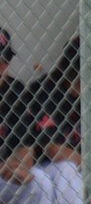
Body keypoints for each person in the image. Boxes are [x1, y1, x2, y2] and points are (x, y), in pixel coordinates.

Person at [31, 37, 91, 203]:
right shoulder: (44, 91)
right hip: (53, 172)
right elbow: (56, 152)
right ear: (84, 68)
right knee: (67, 169)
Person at [1, 28, 54, 204]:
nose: (2, 66)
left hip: (4, 175)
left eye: (5, 60)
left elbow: (25, 146)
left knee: (40, 180)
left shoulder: (14, 90)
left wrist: (20, 169)